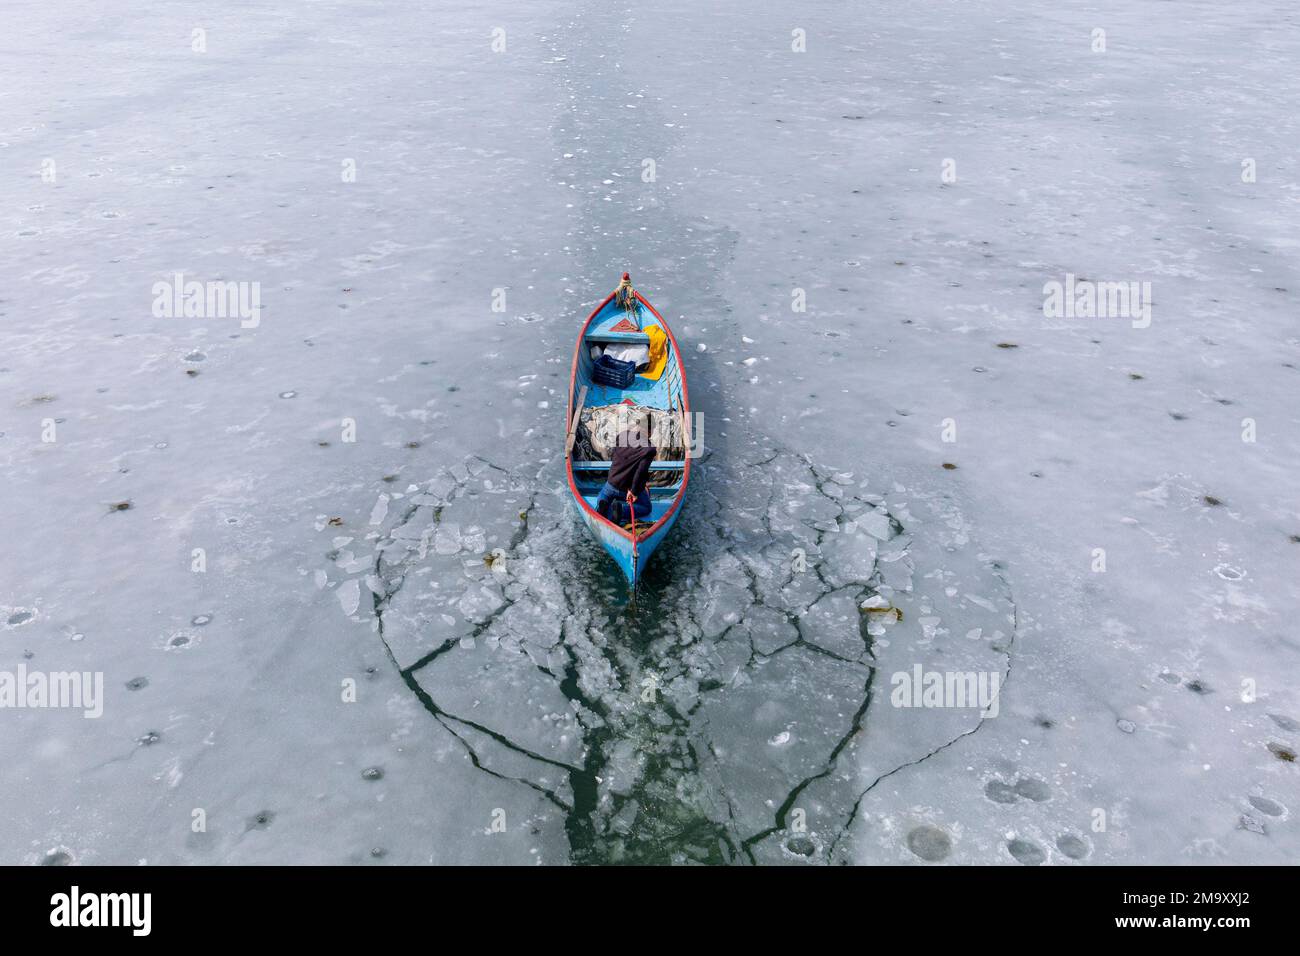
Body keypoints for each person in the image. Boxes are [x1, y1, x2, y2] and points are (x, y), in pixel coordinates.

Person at [596, 409, 655, 526]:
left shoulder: (623, 436)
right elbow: (640, 473)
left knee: (605, 493)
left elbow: (616, 456)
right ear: (649, 431)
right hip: (626, 490)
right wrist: (633, 491)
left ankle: (602, 503)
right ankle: (621, 510)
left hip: (612, 482)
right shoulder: (649, 449)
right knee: (646, 507)